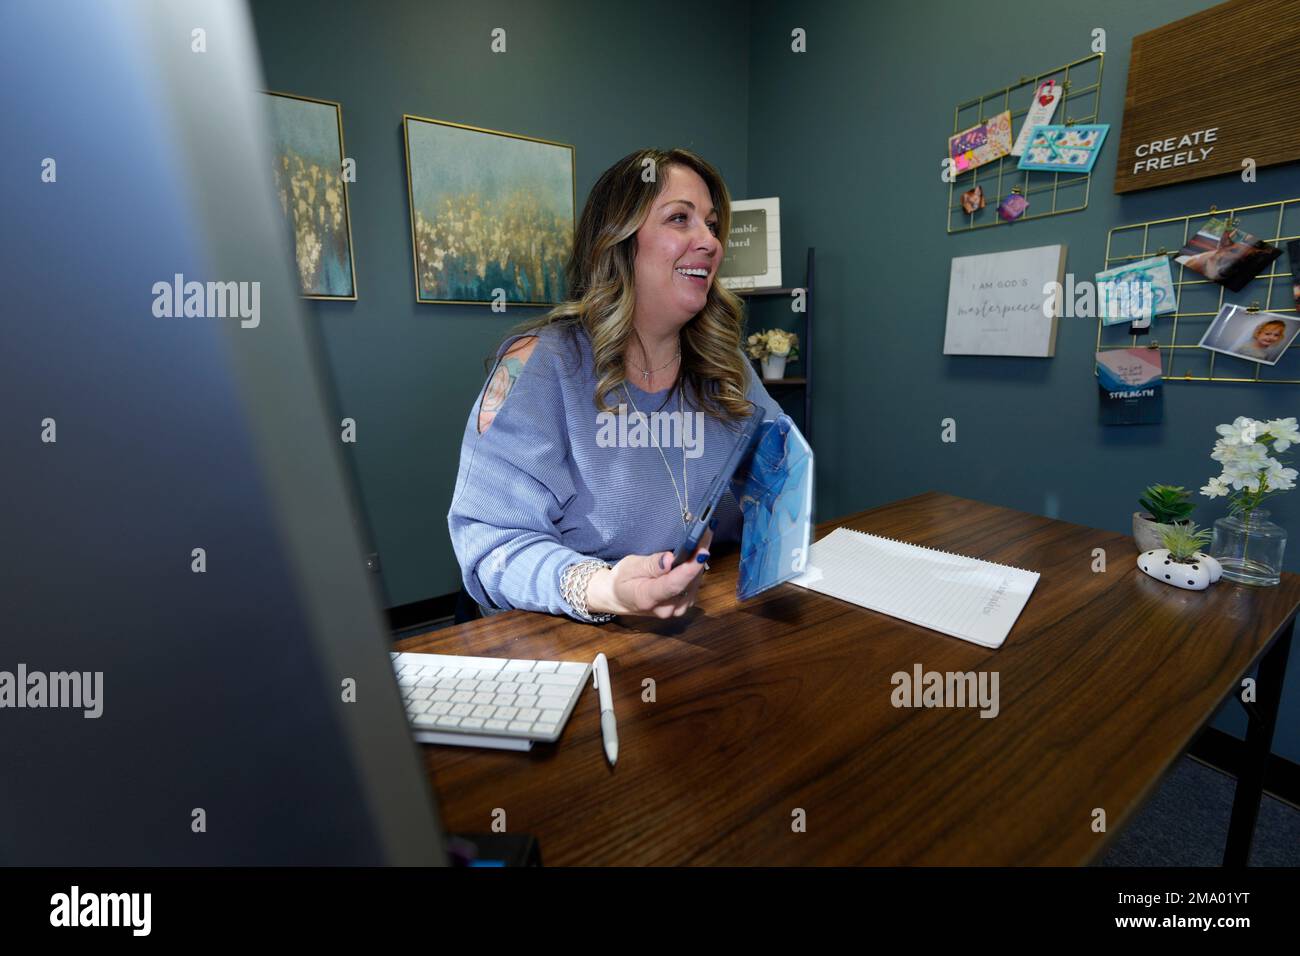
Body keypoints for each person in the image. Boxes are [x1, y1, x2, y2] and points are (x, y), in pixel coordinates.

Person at [447, 147, 784, 623]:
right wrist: (604, 588)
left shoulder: (726, 367)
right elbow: (491, 542)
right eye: (679, 218)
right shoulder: (539, 364)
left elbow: (783, 474)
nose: (709, 241)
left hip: (697, 624)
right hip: (562, 635)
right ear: (619, 241)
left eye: (711, 224)